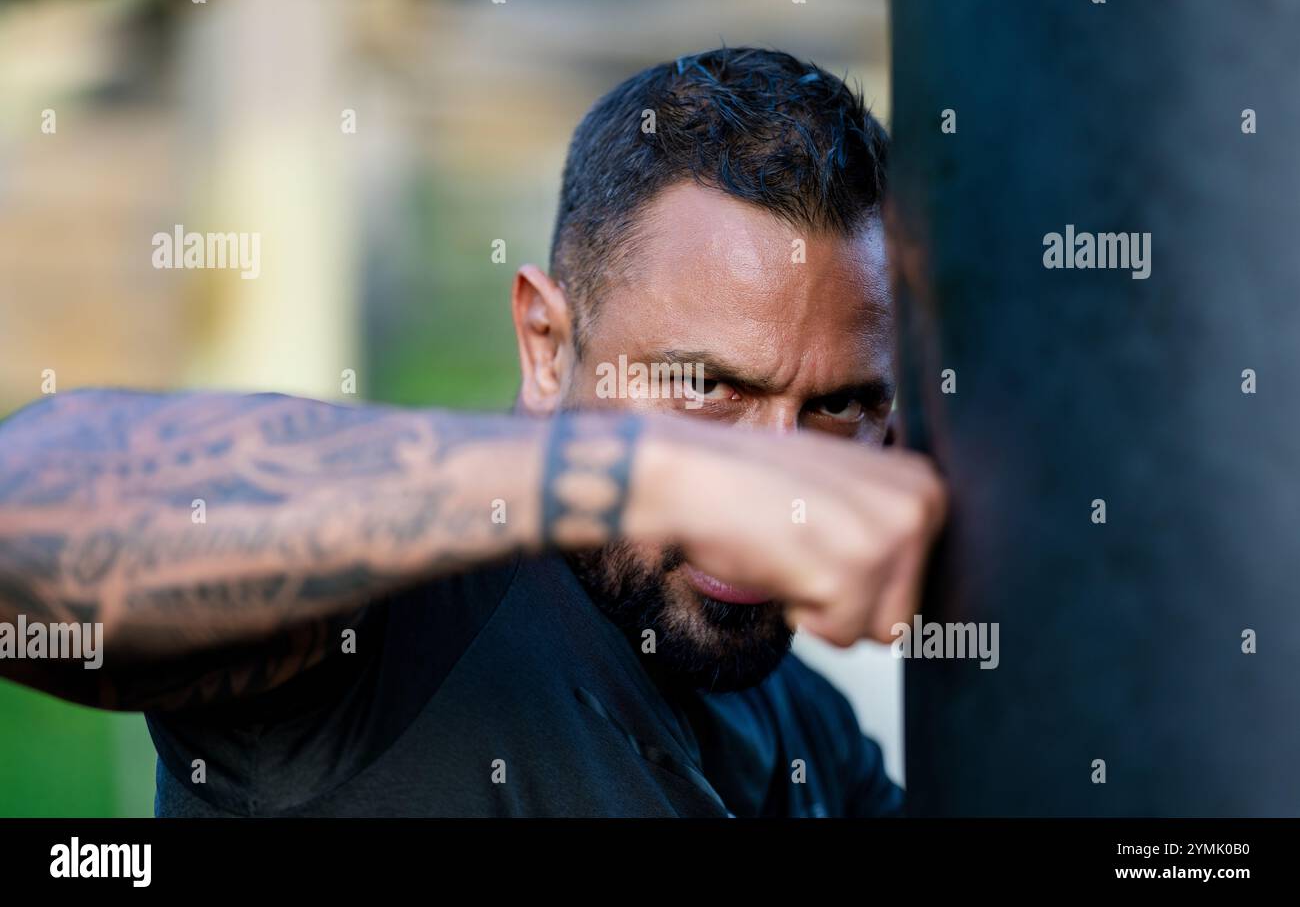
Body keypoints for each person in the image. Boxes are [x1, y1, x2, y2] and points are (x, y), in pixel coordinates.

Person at [0, 47, 946, 817]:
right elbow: (24, 517)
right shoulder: (384, 635)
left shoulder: (803, 728)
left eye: (838, 406)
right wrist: (663, 476)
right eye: (702, 387)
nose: (777, 481)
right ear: (545, 344)